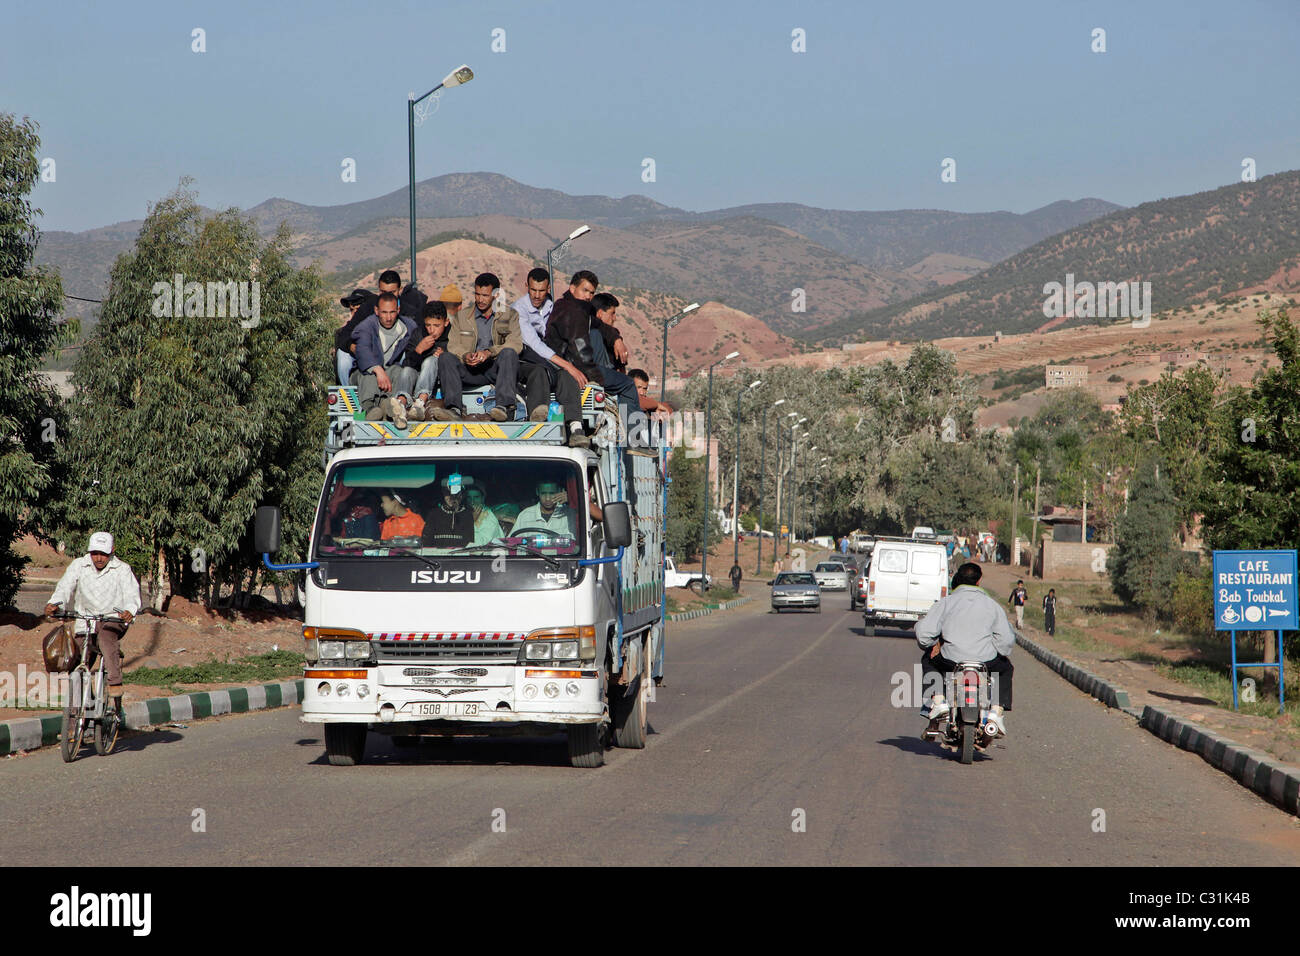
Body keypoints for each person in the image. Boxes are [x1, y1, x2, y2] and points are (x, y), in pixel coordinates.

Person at [44, 532, 141, 716]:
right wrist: (55, 604)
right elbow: (65, 587)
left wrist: (129, 610)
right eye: (95, 553)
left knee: (105, 637)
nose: (98, 558)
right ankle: (77, 717)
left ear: (112, 551)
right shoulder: (79, 565)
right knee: (78, 664)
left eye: (103, 554)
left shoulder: (122, 569)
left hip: (113, 619)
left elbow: (131, 595)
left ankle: (115, 682)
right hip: (85, 620)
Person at [915, 562, 1015, 735]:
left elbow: (924, 635)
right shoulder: (993, 606)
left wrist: (932, 644)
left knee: (928, 660)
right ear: (979, 581)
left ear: (958, 579)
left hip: (951, 661)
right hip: (985, 662)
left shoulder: (946, 603)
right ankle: (996, 713)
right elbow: (1006, 642)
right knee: (1006, 668)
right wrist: (995, 648)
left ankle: (938, 701)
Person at [543, 272, 639, 430]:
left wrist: (617, 339)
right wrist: (596, 379)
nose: (588, 296)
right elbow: (580, 347)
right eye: (584, 290)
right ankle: (636, 441)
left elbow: (601, 325)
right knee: (628, 384)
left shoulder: (581, 309)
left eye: (591, 292)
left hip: (575, 364)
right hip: (573, 366)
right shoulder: (570, 310)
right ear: (572, 288)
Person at [431, 272, 523, 422]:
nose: (480, 299)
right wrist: (466, 355)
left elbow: (516, 343)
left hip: (496, 370)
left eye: (485, 295)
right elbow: (453, 344)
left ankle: (503, 407)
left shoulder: (510, 315)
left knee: (509, 353)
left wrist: (489, 352)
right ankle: (454, 409)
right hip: (470, 370)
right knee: (445, 357)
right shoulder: (462, 316)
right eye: (477, 294)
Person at [515, 267, 584, 425]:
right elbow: (535, 344)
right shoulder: (519, 310)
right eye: (533, 290)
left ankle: (575, 425)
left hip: (549, 361)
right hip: (526, 361)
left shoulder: (551, 307)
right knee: (542, 372)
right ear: (527, 286)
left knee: (567, 376)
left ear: (548, 289)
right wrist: (568, 366)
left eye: (541, 291)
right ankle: (537, 420)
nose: (537, 295)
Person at [351, 292, 420, 426]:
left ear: (398, 310)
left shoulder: (408, 327)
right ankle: (370, 408)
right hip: (363, 371)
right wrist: (378, 369)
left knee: (398, 371)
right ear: (376, 311)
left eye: (392, 312)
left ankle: (390, 407)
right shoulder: (367, 326)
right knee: (369, 375)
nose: (388, 318)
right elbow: (362, 349)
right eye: (384, 312)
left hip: (389, 369)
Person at [405, 301, 451, 421]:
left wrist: (446, 356)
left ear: (446, 322)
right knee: (407, 371)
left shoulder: (453, 335)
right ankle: (401, 403)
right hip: (420, 377)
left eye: (436, 326)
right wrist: (419, 350)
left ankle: (420, 402)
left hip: (443, 380)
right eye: (428, 325)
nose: (431, 330)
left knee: (431, 361)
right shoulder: (419, 334)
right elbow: (407, 363)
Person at [421, 474, 476, 548]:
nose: (451, 497)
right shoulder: (433, 514)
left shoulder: (468, 515)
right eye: (447, 493)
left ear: (462, 495)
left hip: (460, 558)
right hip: (435, 557)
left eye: (455, 494)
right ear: (443, 494)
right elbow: (426, 543)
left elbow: (470, 544)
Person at [335, 287, 370, 385]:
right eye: (352, 310)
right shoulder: (344, 331)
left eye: (358, 309)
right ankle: (346, 391)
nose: (355, 313)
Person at [464, 481, 504, 546]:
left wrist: (471, 521)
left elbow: (478, 543)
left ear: (482, 498)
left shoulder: (489, 517)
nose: (472, 501)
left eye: (476, 497)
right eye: (468, 497)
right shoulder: (463, 513)